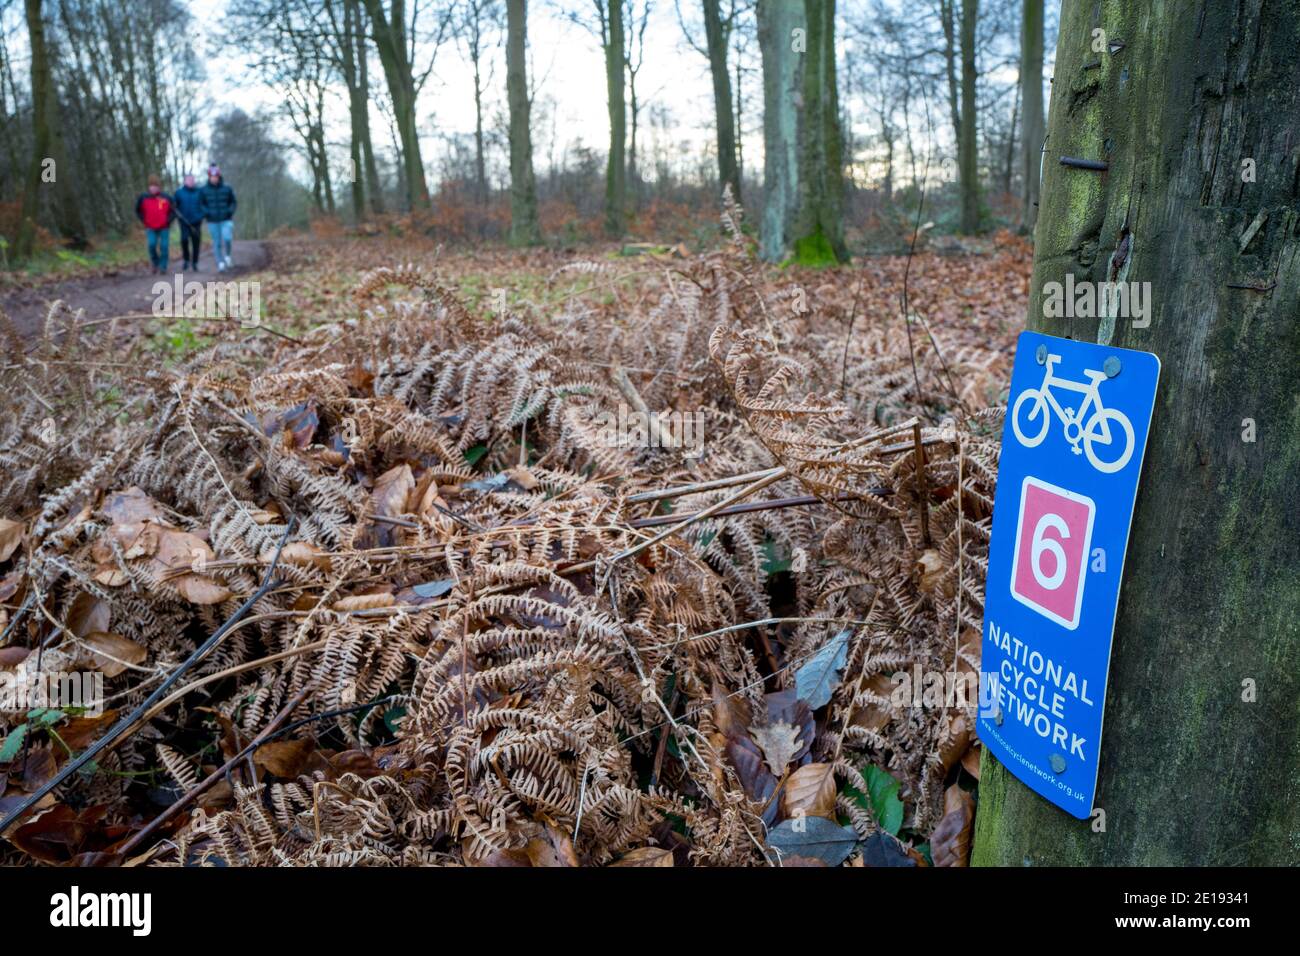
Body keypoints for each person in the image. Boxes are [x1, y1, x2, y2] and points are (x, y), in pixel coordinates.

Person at [134, 174, 175, 275]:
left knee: (164, 247)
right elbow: (138, 210)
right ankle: (155, 263)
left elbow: (173, 211)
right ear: (149, 187)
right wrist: (144, 220)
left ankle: (163, 267)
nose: (153, 188)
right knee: (151, 245)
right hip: (150, 227)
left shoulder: (166, 197)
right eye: (151, 186)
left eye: (155, 186)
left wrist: (168, 220)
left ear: (159, 187)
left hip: (164, 227)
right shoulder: (143, 198)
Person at [199, 164, 237, 272]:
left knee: (227, 238)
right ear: (209, 177)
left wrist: (230, 211)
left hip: (226, 219)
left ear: (219, 176)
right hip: (212, 221)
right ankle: (220, 263)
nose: (214, 178)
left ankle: (228, 256)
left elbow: (233, 202)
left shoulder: (227, 188)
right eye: (212, 176)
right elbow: (201, 204)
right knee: (217, 242)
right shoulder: (203, 190)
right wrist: (207, 213)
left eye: (216, 176)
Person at [173, 173, 204, 271]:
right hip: (184, 222)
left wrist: (201, 216)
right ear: (185, 181)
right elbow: (174, 207)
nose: (191, 182)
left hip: (196, 222)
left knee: (196, 243)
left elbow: (204, 205)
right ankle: (186, 260)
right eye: (189, 180)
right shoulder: (179, 193)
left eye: (192, 180)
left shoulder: (199, 192)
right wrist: (179, 217)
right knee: (184, 241)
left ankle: (195, 262)